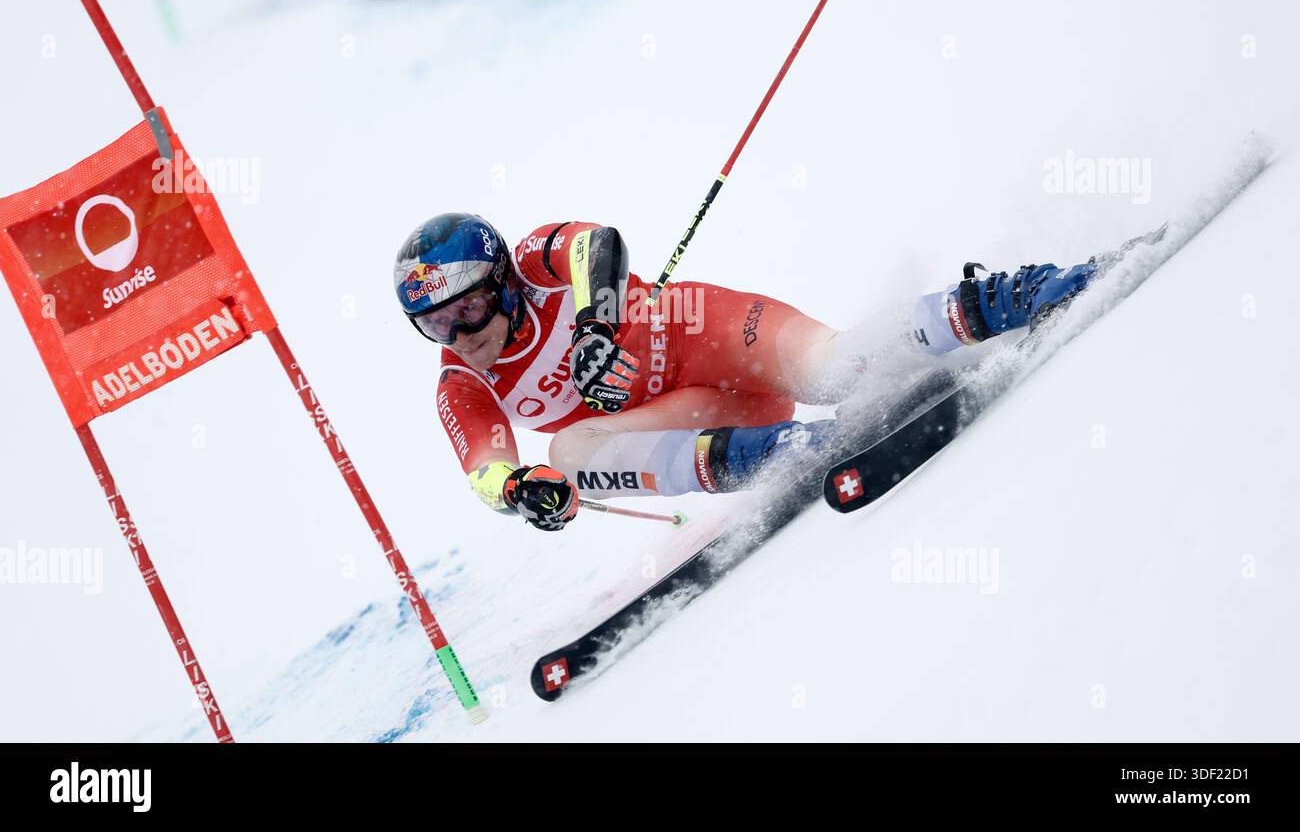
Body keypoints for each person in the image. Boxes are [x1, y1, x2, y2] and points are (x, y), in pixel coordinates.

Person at [394, 213, 1095, 531]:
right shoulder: (461, 383)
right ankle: (796, 453)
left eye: (473, 308)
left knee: (836, 373)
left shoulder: (535, 256)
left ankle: (1018, 295)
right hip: (704, 426)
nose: (461, 334)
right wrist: (524, 491)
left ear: (506, 283)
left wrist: (594, 329)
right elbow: (486, 472)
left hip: (711, 334)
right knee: (567, 455)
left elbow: (597, 245)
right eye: (436, 325)